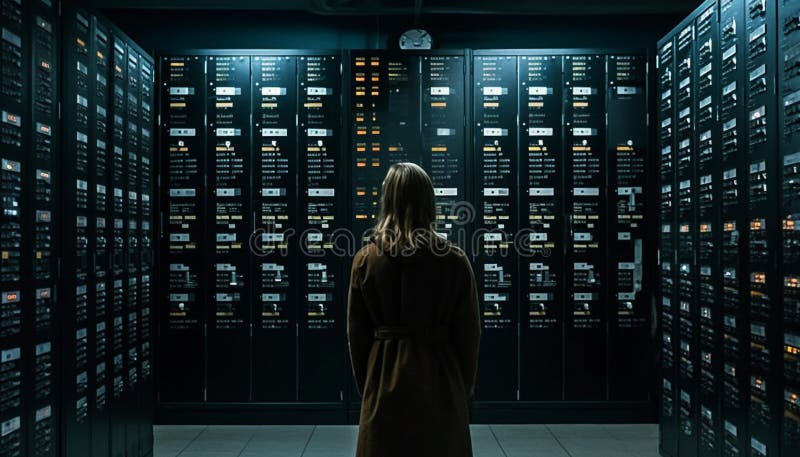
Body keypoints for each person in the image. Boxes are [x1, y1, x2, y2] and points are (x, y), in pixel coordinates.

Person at [347, 162, 481, 457]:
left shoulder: (365, 261)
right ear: (429, 202)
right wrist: (461, 388)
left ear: (387, 201)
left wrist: (370, 384)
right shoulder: (454, 262)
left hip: (383, 377)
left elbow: (356, 336)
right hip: (441, 378)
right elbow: (469, 336)